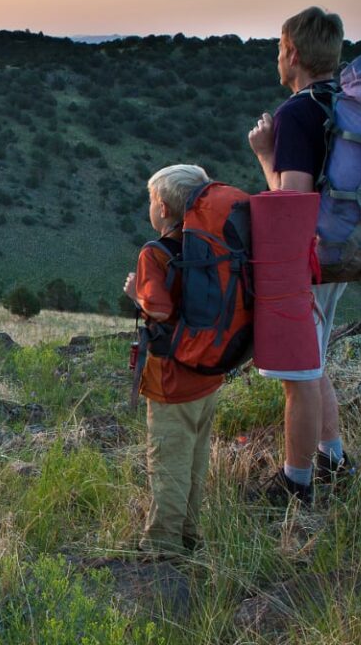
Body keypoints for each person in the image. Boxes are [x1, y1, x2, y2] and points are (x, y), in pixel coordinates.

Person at [246, 6, 354, 506]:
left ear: (292, 52)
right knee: (316, 360)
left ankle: (296, 482)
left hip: (308, 259)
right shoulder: (346, 104)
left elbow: (292, 205)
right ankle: (333, 458)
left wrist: (266, 154)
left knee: (298, 375)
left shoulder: (295, 113)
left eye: (278, 48)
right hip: (343, 251)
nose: (277, 56)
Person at [123, 163, 224, 555]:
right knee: (196, 460)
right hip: (209, 373)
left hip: (171, 379)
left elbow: (160, 312)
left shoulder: (156, 253)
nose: (149, 206)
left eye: (151, 200)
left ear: (163, 208)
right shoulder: (211, 246)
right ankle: (189, 535)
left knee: (167, 461)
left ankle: (162, 546)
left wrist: (137, 296)